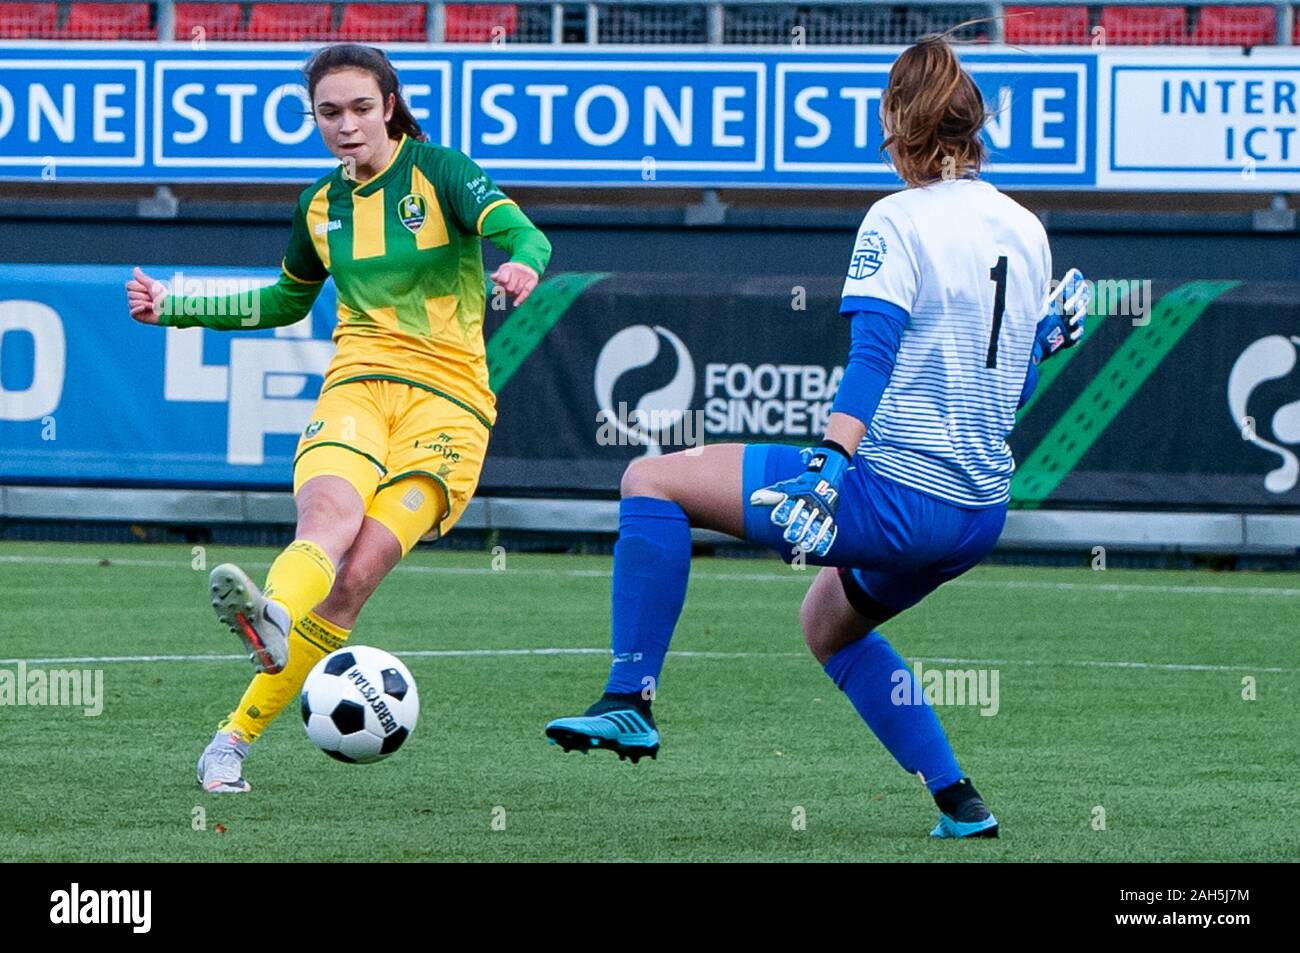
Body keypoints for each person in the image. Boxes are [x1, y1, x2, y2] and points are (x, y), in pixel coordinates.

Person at [543, 34, 1088, 838]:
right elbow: (1007, 393)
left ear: (899, 125)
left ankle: (630, 697)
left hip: (892, 496)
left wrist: (830, 465)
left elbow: (872, 356)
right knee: (827, 625)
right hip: (976, 516)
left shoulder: (898, 218)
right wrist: (1040, 343)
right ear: (976, 130)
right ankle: (960, 801)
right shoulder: (1026, 228)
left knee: (650, 480)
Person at [126, 44, 551, 793]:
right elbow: (285, 299)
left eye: (360, 107)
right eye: (329, 112)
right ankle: (269, 618)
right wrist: (178, 305)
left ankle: (232, 738)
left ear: (388, 104)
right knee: (325, 516)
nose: (346, 125)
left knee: (354, 578)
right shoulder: (319, 205)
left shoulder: (441, 170)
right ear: (314, 119)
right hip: (357, 382)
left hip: (449, 405)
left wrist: (520, 264)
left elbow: (525, 233)